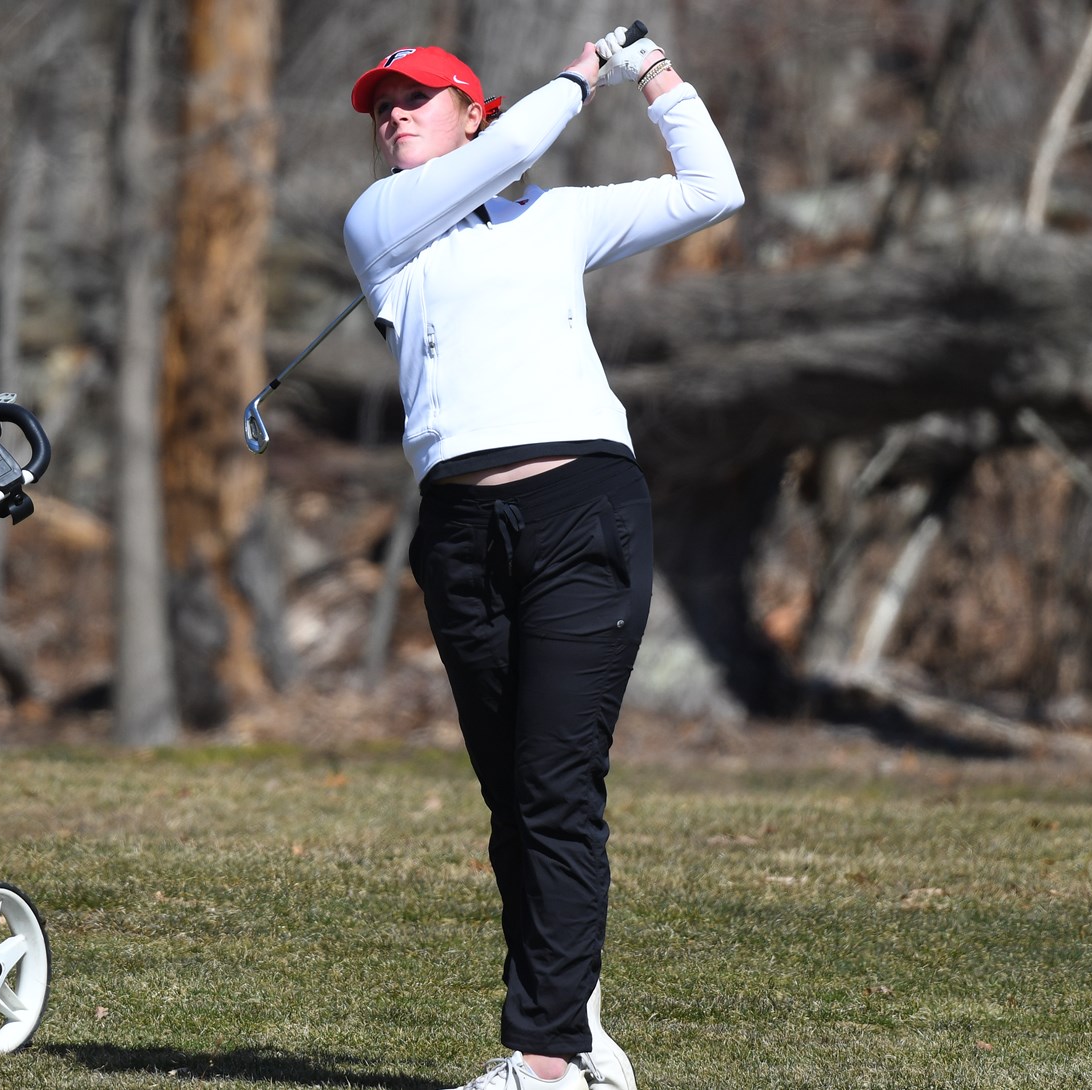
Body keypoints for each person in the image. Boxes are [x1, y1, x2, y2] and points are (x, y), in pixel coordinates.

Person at [342, 25, 743, 1090]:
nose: (394, 113)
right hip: (462, 534)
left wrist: (652, 73)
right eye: (383, 103)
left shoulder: (553, 220)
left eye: (418, 96)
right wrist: (575, 76)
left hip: (581, 512)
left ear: (469, 110)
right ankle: (573, 1021)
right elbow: (507, 152)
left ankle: (542, 1058)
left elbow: (711, 187)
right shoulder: (380, 225)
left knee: (556, 782)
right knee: (513, 792)